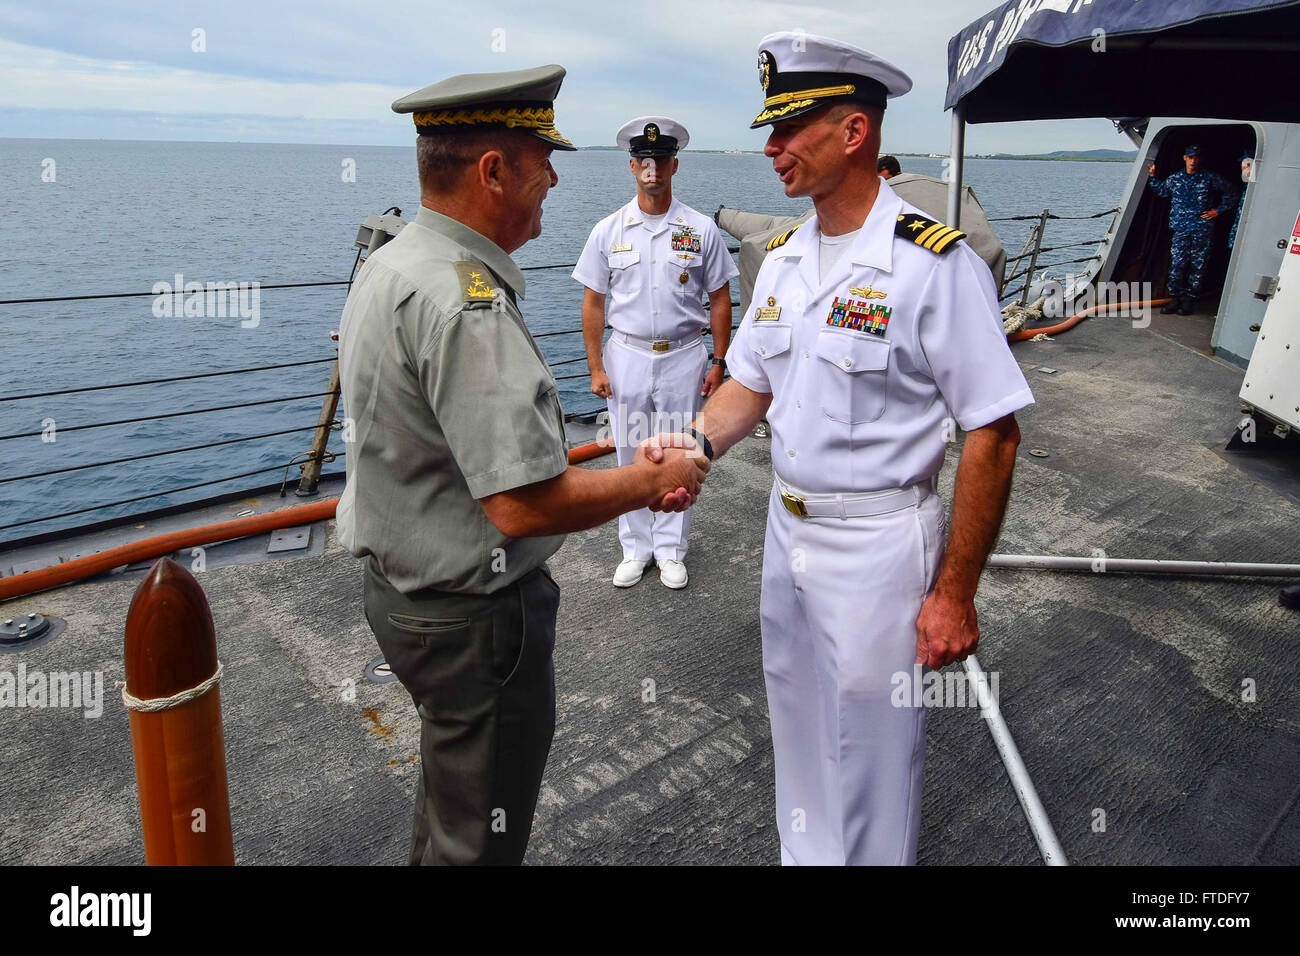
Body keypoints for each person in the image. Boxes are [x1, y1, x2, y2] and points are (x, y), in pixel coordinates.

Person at [335, 65, 710, 865]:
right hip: (471, 621)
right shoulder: (465, 301)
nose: (554, 178)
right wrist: (651, 480)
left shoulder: (396, 262)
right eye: (542, 158)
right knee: (480, 841)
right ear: (493, 171)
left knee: (450, 809)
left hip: (403, 596)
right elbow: (524, 505)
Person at [684, 32, 1033, 865]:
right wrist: (687, 451)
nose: (771, 147)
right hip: (787, 529)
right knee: (798, 725)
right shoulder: (783, 261)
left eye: (790, 126)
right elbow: (750, 387)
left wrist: (954, 593)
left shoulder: (930, 264)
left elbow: (994, 428)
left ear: (853, 133)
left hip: (880, 545)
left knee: (873, 758)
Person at [573, 117, 738, 589]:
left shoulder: (699, 228)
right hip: (626, 354)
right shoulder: (608, 230)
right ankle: (635, 547)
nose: (652, 170)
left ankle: (670, 549)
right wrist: (595, 367)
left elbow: (720, 297)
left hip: (684, 355)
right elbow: (592, 302)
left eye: (660, 161)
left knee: (679, 451)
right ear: (632, 167)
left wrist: (719, 360)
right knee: (629, 451)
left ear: (674, 165)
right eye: (643, 162)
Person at [1147, 145, 1238, 315]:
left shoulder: (1209, 178)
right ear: (1184, 158)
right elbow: (1161, 192)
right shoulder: (1176, 178)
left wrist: (1218, 210)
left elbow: (1231, 192)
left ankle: (1189, 300)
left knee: (1198, 265)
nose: (1193, 161)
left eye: (1196, 157)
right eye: (1190, 157)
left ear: (1199, 159)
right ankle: (1174, 298)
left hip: (1201, 229)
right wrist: (1152, 176)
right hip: (1181, 229)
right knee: (1177, 265)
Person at [1228, 154, 1253, 249]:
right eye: (1243, 167)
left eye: (1248, 166)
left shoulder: (1256, 188)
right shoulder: (1247, 187)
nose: (1245, 170)